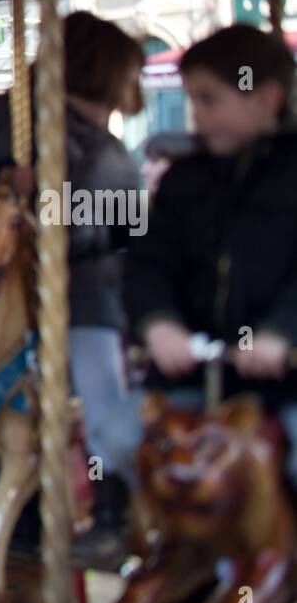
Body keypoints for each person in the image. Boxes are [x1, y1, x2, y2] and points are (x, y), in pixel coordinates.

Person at [0, 11, 145, 540]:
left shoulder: (108, 153)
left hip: (75, 300)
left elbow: (127, 234)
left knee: (103, 390)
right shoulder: (0, 118)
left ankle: (110, 510)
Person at [113, 24, 297, 484]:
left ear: (267, 98)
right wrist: (158, 323)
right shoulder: (184, 180)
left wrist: (279, 332)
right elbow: (148, 262)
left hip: (284, 379)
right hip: (194, 374)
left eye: (210, 99)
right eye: (192, 100)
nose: (196, 114)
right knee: (121, 441)